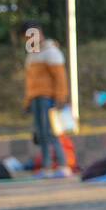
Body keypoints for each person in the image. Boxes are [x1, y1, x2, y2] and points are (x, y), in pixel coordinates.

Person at [20, 21, 71, 178]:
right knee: (41, 134)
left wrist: (61, 97)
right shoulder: (32, 54)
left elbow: (60, 77)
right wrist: (27, 101)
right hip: (35, 98)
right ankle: (47, 166)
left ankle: (63, 165)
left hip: (48, 98)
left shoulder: (51, 51)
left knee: (51, 132)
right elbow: (31, 82)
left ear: (39, 33)